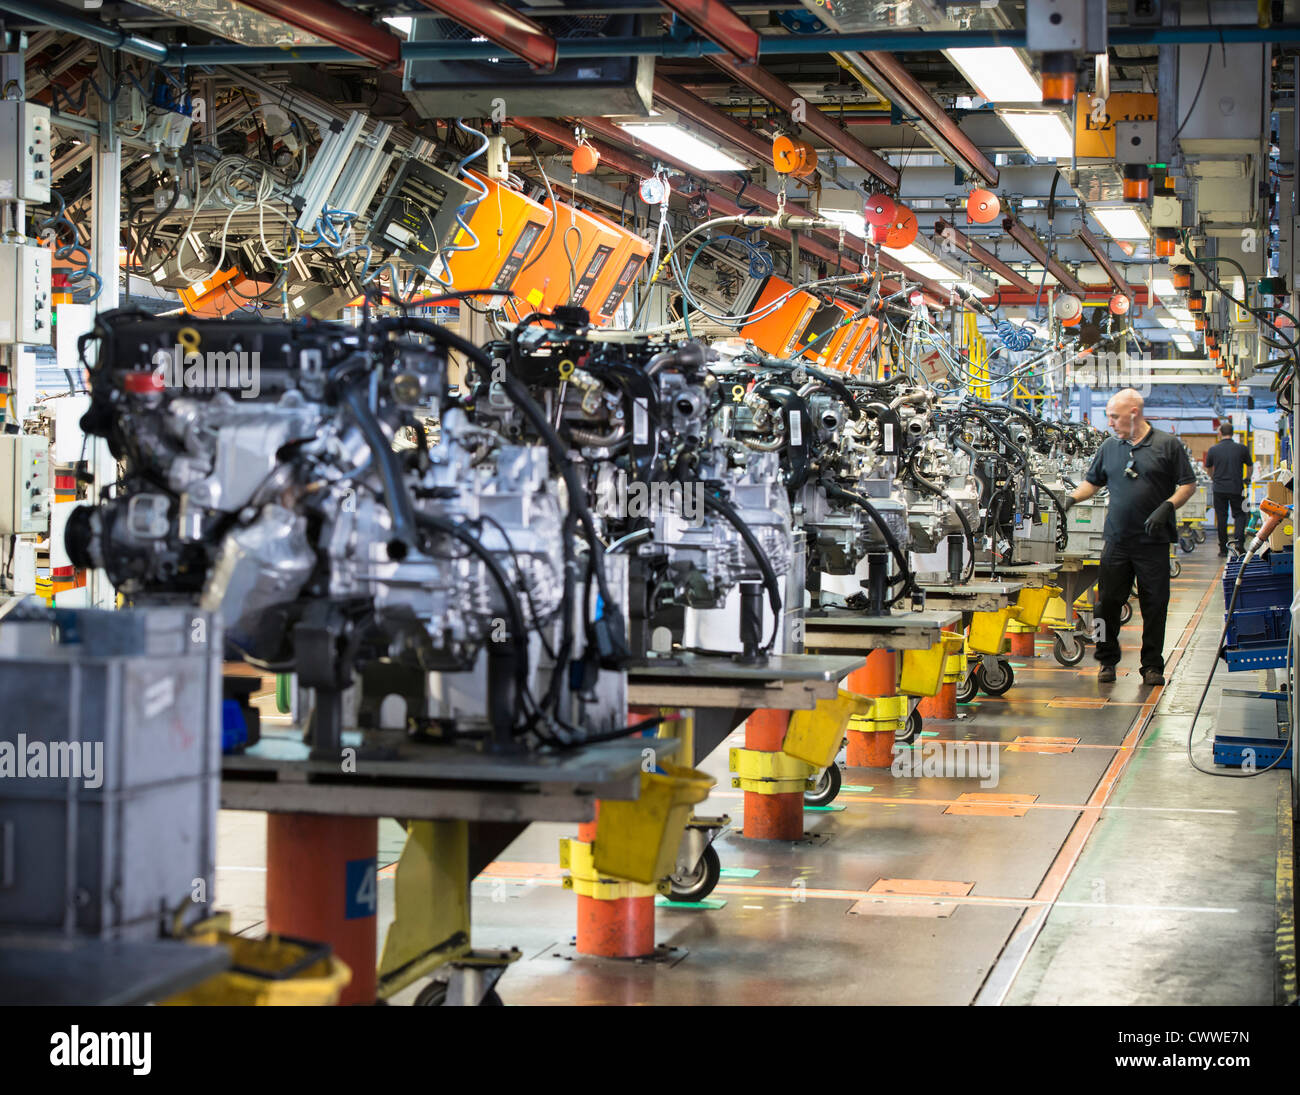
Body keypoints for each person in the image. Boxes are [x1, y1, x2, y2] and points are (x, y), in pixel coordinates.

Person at [1062, 389, 1196, 686]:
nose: (1110, 422)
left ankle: (1152, 666)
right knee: (1104, 605)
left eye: (1114, 416)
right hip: (1118, 540)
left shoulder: (1167, 445)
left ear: (1134, 413)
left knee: (1155, 605)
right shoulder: (1110, 446)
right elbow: (1091, 483)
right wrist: (1071, 499)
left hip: (1154, 542)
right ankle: (1106, 660)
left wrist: (1168, 505)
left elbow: (1188, 484)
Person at [1204, 423, 1252, 556]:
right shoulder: (1241, 448)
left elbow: (1208, 469)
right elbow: (1249, 466)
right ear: (1233, 432)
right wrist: (1247, 479)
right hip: (1236, 487)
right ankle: (1239, 543)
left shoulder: (1213, 450)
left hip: (1219, 488)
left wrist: (1214, 478)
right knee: (1240, 514)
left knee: (1221, 518)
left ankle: (1223, 549)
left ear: (1220, 433)